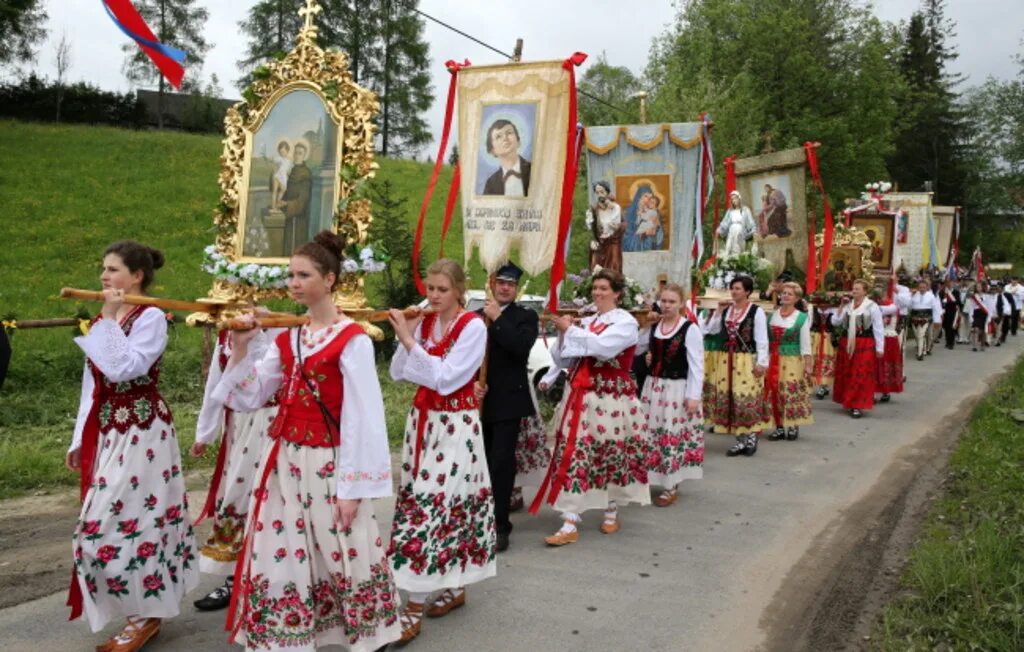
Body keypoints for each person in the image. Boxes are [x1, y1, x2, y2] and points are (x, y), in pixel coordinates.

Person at [213, 231, 400, 651]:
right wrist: (240, 350)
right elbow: (250, 396)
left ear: (329, 279)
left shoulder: (352, 340)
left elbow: (364, 419)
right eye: (291, 275)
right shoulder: (288, 337)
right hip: (283, 462)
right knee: (283, 547)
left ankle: (368, 635)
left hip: (329, 463)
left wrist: (352, 489)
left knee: (341, 547)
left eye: (303, 275)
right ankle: (291, 636)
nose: (293, 283)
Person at [66, 241, 198, 650]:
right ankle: (140, 611)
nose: (103, 276)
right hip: (110, 430)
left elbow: (125, 369)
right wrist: (79, 437)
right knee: (100, 527)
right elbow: (93, 384)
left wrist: (107, 319)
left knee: (132, 521)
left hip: (144, 432)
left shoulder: (151, 316)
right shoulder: (106, 320)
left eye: (113, 269)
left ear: (136, 276)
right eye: (103, 269)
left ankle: (146, 613)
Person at [388, 259, 496, 643]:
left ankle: (413, 606)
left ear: (459, 291)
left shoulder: (473, 327)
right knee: (443, 505)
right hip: (423, 422)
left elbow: (445, 379)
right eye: (430, 288)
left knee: (430, 507)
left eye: (442, 290)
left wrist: (410, 342)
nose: (433, 296)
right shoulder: (427, 322)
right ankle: (456, 584)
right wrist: (410, 337)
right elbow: (399, 372)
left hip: (455, 425)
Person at [532, 268, 650, 544]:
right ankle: (570, 520)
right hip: (581, 396)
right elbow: (564, 359)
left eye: (604, 288)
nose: (598, 293)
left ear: (617, 293)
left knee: (609, 452)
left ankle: (611, 509)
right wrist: (564, 335)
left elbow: (603, 348)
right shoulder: (587, 321)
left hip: (611, 397)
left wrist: (570, 330)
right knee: (575, 453)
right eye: (595, 288)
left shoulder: (626, 322)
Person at [189, 328, 280, 612]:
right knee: (237, 495)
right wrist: (205, 432)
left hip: (277, 423)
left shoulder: (284, 328)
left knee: (272, 498)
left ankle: (273, 578)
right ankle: (233, 578)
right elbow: (216, 385)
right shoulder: (226, 336)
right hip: (240, 426)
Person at [473, 262, 539, 553]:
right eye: (500, 282)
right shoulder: (476, 316)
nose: (504, 288)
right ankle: (477, 520)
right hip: (478, 400)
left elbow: (520, 348)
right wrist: (472, 384)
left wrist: (498, 318)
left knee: (501, 464)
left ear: (516, 288)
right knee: (478, 463)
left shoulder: (525, 316)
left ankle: (500, 525)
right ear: (492, 284)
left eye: (510, 284)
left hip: (508, 403)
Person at [641, 283, 704, 506]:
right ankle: (650, 477)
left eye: (671, 302)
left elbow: (696, 365)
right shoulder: (655, 326)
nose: (666, 305)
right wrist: (645, 327)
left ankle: (671, 484)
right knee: (651, 434)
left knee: (671, 433)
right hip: (653, 386)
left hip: (677, 388)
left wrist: (694, 396)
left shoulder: (689, 329)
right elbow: (638, 348)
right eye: (664, 301)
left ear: (681, 304)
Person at [703, 275, 771, 456]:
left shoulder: (756, 311)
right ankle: (740, 441)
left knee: (745, 397)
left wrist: (762, 363)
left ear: (747, 292)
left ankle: (751, 436)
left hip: (745, 360)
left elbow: (762, 339)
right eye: (732, 288)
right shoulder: (726, 310)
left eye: (738, 288)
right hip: (726, 360)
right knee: (732, 399)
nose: (734, 291)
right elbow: (711, 330)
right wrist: (718, 311)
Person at [764, 282, 813, 441]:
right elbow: (766, 340)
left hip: (792, 359)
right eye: (784, 293)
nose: (785, 296)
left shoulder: (801, 317)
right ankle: (778, 426)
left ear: (796, 298)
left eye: (789, 294)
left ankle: (792, 424)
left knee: (790, 391)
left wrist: (808, 363)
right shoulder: (772, 316)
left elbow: (805, 343)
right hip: (774, 357)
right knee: (774, 391)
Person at [831, 279, 885, 418]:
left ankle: (858, 404)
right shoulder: (848, 306)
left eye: (857, 289)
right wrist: (841, 306)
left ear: (865, 291)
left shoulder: (872, 306)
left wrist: (880, 347)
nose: (854, 291)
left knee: (861, 372)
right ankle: (848, 400)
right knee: (847, 371)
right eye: (853, 289)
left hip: (864, 342)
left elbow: (878, 327)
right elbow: (835, 322)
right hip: (847, 342)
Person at [279, 140, 313, 253]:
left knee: (297, 247)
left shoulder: (306, 173)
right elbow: (289, 190)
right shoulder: (293, 170)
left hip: (299, 217)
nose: (297, 155)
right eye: (295, 153)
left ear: (304, 156)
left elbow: (303, 199)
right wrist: (281, 200)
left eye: (300, 153)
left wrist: (287, 204)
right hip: (289, 215)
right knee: (287, 245)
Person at [482, 119, 531, 197]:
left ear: (518, 141)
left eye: (509, 132)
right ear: (492, 151)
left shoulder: (533, 170)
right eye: (498, 136)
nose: (505, 138)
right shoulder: (491, 183)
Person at [586, 181, 624, 272]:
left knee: (613, 267)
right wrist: (593, 240)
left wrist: (617, 228)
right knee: (597, 269)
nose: (600, 195)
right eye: (597, 192)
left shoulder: (615, 208)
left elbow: (620, 224)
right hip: (600, 244)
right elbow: (590, 228)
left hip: (612, 242)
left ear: (607, 192)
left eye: (602, 192)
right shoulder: (594, 210)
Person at [875, 294, 905, 403]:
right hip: (884, 338)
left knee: (886, 364)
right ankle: (879, 390)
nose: (880, 299)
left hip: (888, 338)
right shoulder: (882, 306)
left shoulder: (890, 307)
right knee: (879, 365)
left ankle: (885, 391)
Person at [717, 190, 756, 259]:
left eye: (735, 198)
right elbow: (725, 222)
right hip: (731, 232)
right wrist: (719, 229)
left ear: (739, 198)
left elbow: (750, 222)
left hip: (740, 233)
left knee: (738, 252)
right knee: (728, 249)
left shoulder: (745, 210)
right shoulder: (730, 211)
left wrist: (753, 230)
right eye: (732, 199)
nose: (734, 200)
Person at [809, 301, 836, 400]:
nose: (823, 305)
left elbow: (837, 323)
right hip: (817, 338)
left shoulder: (834, 310)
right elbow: (809, 324)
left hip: (829, 339)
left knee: (827, 362)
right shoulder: (813, 310)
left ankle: (824, 386)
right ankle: (821, 386)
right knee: (816, 362)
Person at [909, 279, 937, 360]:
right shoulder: (914, 294)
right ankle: (922, 348)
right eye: (920, 287)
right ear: (918, 287)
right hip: (915, 316)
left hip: (926, 316)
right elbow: (909, 305)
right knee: (917, 335)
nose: (922, 289)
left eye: (923, 287)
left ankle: (920, 354)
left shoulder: (931, 296)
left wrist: (936, 319)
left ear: (927, 287)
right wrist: (910, 294)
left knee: (921, 334)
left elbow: (935, 308)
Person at [965, 282, 993, 352]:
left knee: (983, 330)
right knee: (975, 329)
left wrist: (989, 317)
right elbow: (971, 307)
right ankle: (974, 346)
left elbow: (990, 307)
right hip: (976, 313)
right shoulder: (974, 296)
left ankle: (982, 345)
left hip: (984, 313)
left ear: (983, 287)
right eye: (977, 287)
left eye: (980, 287)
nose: (978, 288)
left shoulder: (987, 296)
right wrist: (971, 316)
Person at [939, 279, 963, 350]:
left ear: (953, 283)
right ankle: (947, 341)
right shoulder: (942, 292)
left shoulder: (956, 292)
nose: (950, 284)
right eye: (948, 283)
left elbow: (958, 302)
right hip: (945, 311)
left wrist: (959, 310)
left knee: (952, 327)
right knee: (946, 326)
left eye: (951, 282)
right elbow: (940, 301)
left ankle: (951, 343)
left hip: (953, 311)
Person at [270, 139, 292, 210]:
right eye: (281, 152)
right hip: (277, 176)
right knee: (275, 191)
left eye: (283, 152)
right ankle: (273, 206)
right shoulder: (279, 158)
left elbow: (288, 170)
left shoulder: (289, 161)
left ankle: (277, 203)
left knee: (283, 189)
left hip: (283, 177)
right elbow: (273, 160)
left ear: (287, 151)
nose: (282, 153)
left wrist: (288, 175)